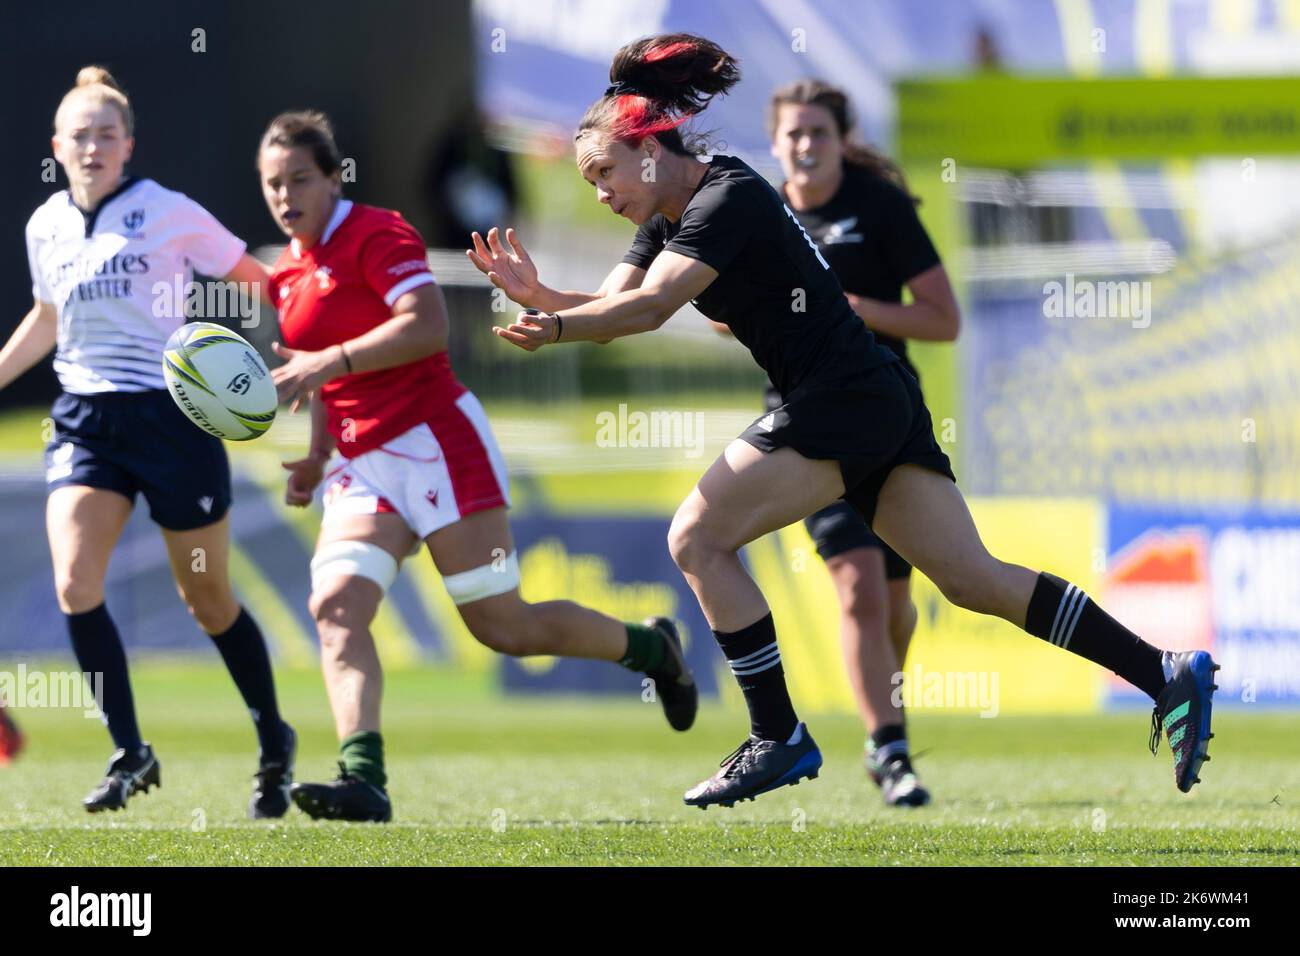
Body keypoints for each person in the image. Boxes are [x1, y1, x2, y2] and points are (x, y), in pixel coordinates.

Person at [468, 33, 1219, 809]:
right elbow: (615, 305)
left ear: (649, 149)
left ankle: (777, 736)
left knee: (695, 537)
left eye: (603, 173)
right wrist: (546, 299)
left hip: (838, 397)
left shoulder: (726, 197)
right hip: (871, 393)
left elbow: (650, 309)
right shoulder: (671, 215)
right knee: (973, 580)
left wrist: (556, 325)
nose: (598, 192)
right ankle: (1162, 671)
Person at [258, 111, 696, 823]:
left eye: (299, 179)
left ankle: (651, 648)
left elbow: (426, 325)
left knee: (505, 629)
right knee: (336, 609)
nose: (284, 195)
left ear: (334, 178)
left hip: (437, 443)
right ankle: (363, 778)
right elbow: (318, 382)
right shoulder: (286, 274)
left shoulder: (377, 232)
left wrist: (328, 360)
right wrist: (312, 458)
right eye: (273, 183)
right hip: (361, 467)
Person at [0, 67, 296, 816]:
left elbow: (257, 279)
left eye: (107, 134)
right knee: (75, 583)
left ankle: (273, 739)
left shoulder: (166, 211)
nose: (93, 146)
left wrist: (290, 355)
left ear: (128, 144)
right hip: (85, 422)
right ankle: (130, 751)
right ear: (57, 145)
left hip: (173, 420)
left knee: (207, 600)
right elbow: (46, 318)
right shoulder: (46, 225)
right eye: (80, 135)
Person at [729, 77, 961, 807]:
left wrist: (849, 310)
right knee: (858, 587)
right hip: (805, 423)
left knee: (896, 606)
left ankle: (883, 725)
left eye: (818, 133)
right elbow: (715, 303)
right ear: (775, 143)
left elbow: (942, 319)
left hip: (888, 418)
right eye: (793, 134)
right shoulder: (757, 211)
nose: (805, 146)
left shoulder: (879, 208)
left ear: (840, 141)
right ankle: (892, 752)